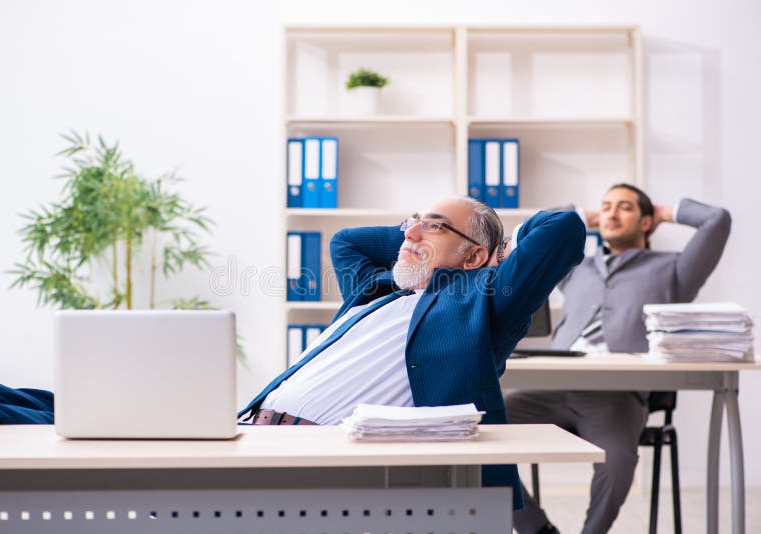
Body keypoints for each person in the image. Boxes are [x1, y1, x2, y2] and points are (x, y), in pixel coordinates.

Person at [239, 195, 585, 509]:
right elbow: (347, 242)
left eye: (434, 225)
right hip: (253, 436)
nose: (410, 233)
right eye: (410, 223)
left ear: (476, 257)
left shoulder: (481, 301)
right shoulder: (375, 292)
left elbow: (563, 228)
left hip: (329, 468)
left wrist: (499, 249)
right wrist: (421, 235)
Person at [505, 184, 732, 534]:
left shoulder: (675, 269)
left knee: (616, 462)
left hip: (617, 395)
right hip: (552, 384)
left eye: (624, 207)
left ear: (646, 221)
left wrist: (664, 212)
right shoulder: (575, 267)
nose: (611, 213)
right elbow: (525, 236)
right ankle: (536, 529)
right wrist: (581, 217)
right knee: (479, 435)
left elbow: (717, 221)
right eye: (606, 206)